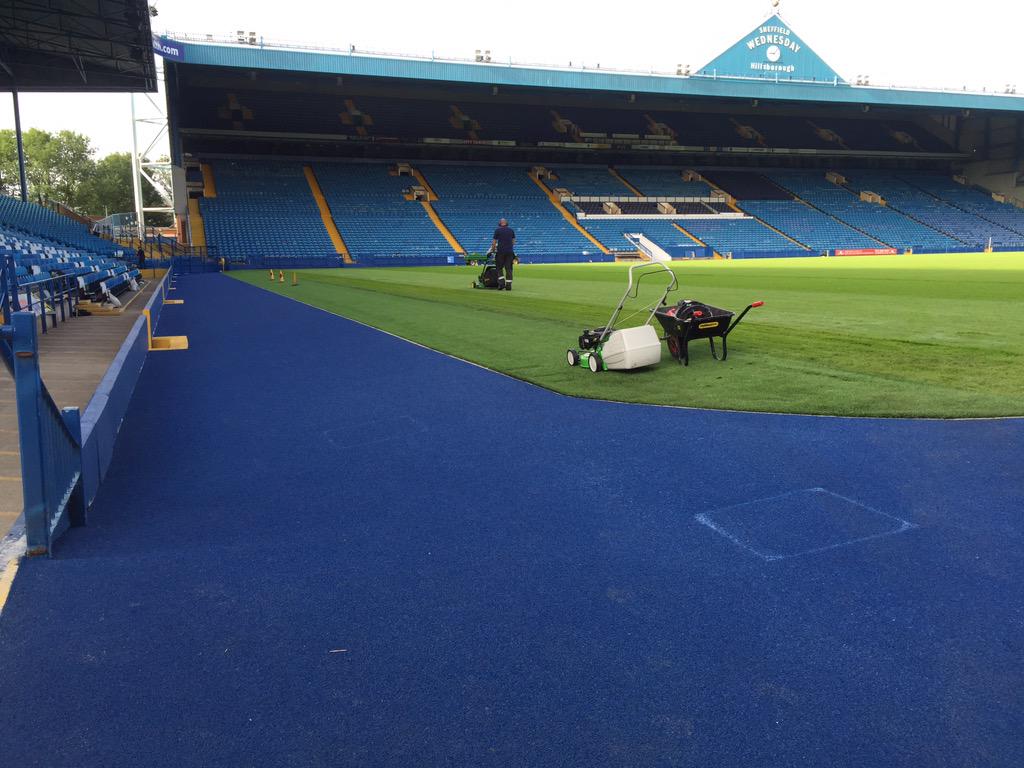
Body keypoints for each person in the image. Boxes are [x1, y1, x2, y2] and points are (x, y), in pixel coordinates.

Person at [489, 218, 516, 291]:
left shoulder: (497, 230)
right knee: (509, 269)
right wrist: (509, 246)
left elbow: (494, 242)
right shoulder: (511, 230)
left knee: (499, 268)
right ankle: (508, 285)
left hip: (500, 252)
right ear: (506, 223)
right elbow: (513, 241)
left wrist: (493, 250)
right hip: (509, 252)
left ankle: (501, 284)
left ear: (500, 223)